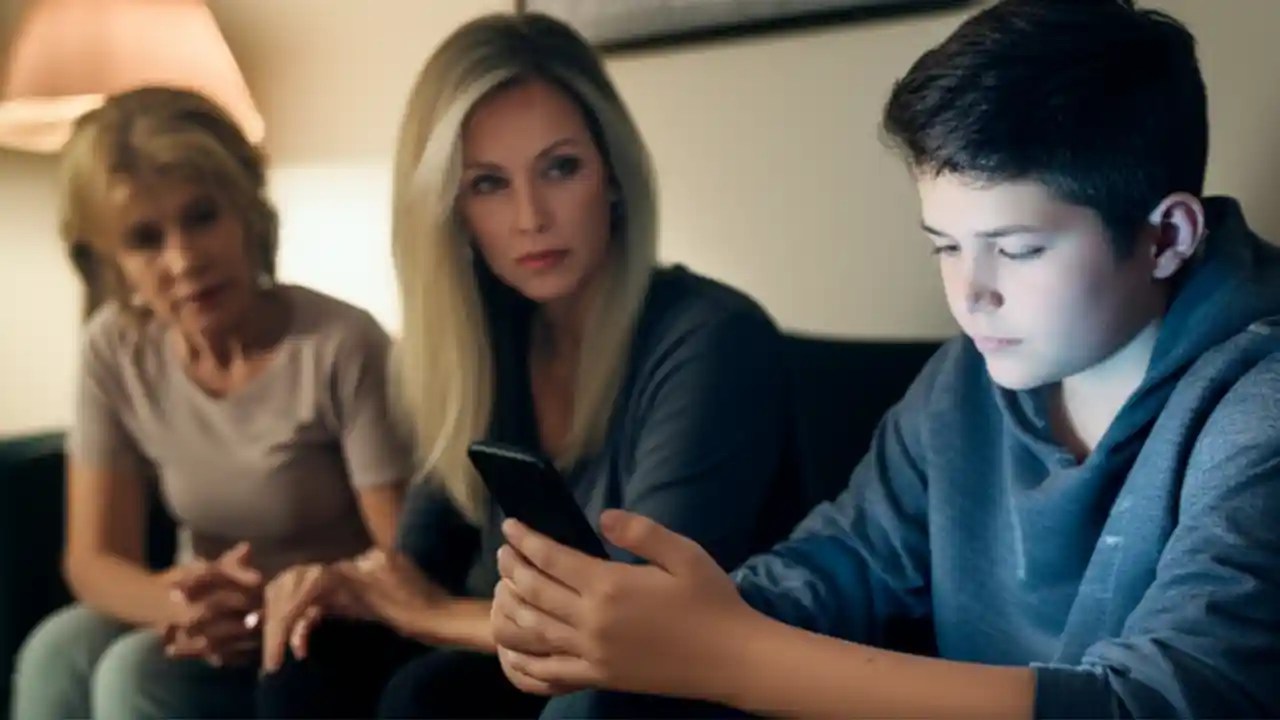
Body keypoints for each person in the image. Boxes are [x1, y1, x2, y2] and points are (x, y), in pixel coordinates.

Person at [490, 0, 1280, 717]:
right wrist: (660, 622)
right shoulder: (968, 376)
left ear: (1166, 237)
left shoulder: (1257, 409)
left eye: (1017, 249)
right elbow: (844, 564)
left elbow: (1159, 703)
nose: (970, 295)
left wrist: (732, 656)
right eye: (946, 246)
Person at [253, 11, 793, 720]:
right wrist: (348, 585)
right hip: (533, 659)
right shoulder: (488, 338)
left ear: (613, 175)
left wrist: (433, 615)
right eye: (488, 184)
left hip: (675, 686)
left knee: (432, 697)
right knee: (310, 657)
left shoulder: (712, 338)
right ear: (450, 208)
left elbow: (642, 622)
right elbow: (420, 563)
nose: (531, 217)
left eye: (560, 168)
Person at [10, 87, 414, 720]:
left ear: (247, 211)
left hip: (329, 624)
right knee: (58, 649)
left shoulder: (341, 344)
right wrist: (181, 607)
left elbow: (404, 558)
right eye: (146, 239)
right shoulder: (116, 348)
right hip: (207, 616)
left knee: (135, 672)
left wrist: (269, 607)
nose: (185, 258)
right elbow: (94, 560)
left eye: (202, 217)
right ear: (113, 262)